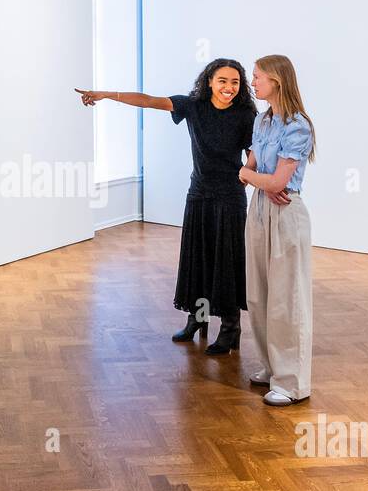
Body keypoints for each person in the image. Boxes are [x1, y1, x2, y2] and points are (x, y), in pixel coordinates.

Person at [76, 58, 256, 354]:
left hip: (230, 197)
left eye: (235, 82)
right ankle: (197, 319)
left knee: (226, 261)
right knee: (198, 258)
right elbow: (147, 100)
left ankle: (230, 328)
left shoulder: (245, 113)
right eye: (222, 80)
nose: (229, 87)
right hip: (198, 193)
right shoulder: (192, 106)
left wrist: (245, 175)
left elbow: (255, 152)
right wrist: (105, 94)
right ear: (209, 81)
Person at [239, 55, 316, 406]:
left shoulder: (298, 126)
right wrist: (257, 179)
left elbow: (277, 181)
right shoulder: (262, 121)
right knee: (258, 294)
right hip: (258, 208)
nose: (252, 82)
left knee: (287, 299)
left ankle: (292, 382)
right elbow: (254, 171)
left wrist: (253, 178)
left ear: (277, 81)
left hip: (286, 212)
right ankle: (271, 367)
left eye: (257, 77)